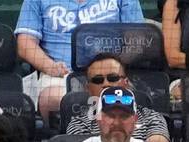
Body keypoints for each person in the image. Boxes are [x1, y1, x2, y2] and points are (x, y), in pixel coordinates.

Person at [14, 0, 145, 122]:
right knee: (51, 98)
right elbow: (25, 43)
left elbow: (137, 40)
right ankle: (63, 141)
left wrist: (116, 67)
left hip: (112, 74)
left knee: (133, 97)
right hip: (62, 74)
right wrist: (49, 66)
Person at [66, 52, 171, 142]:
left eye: (113, 78)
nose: (106, 84)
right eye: (98, 80)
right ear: (88, 88)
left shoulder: (151, 117)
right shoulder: (79, 123)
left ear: (126, 83)